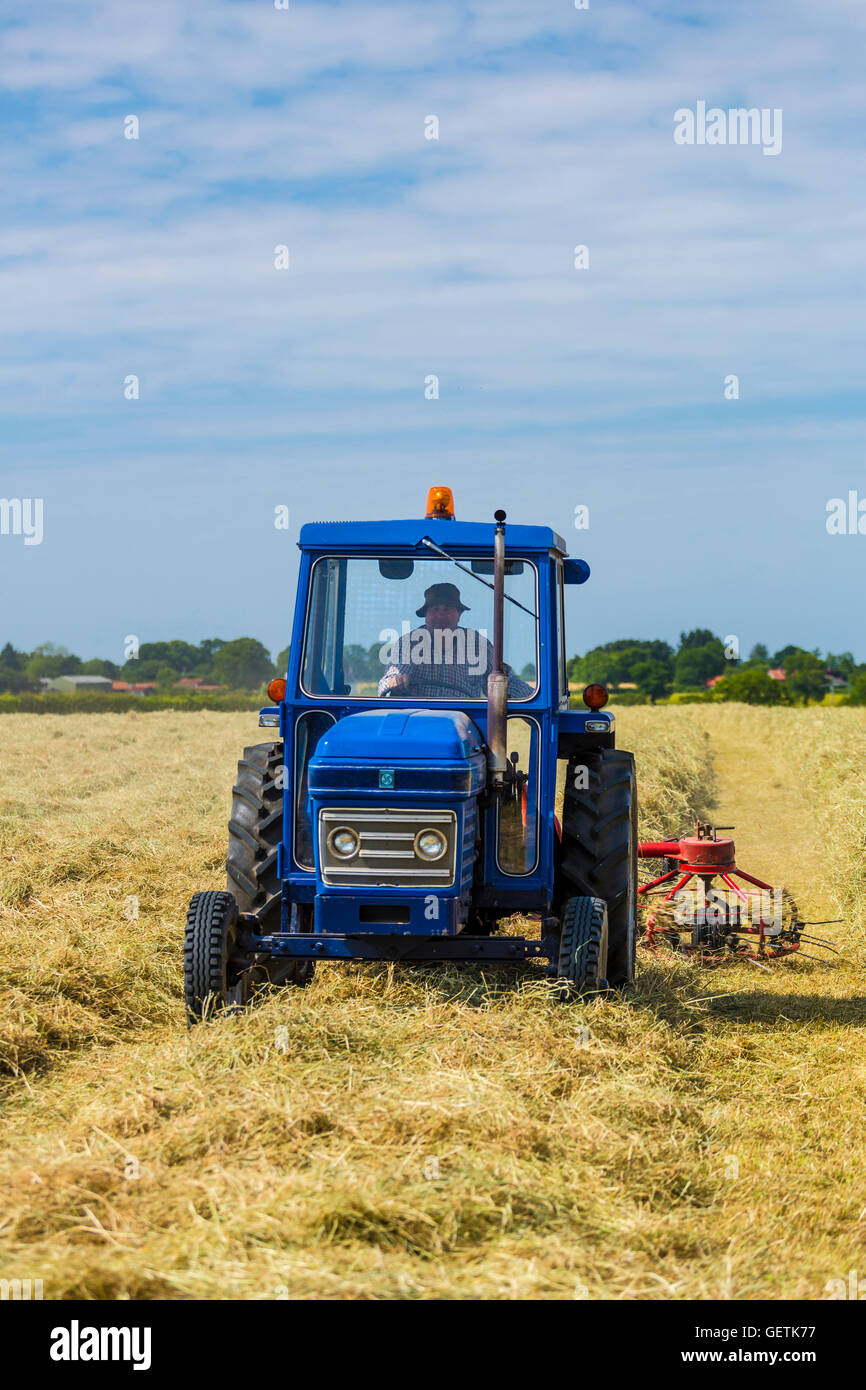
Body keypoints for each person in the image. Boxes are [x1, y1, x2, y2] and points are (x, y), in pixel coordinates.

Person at [377, 581, 533, 699]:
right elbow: (391, 678)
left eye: (447, 609)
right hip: (419, 720)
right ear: (426, 615)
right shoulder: (409, 643)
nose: (440, 616)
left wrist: (534, 698)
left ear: (459, 615)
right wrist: (395, 682)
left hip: (465, 721)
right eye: (434, 609)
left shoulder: (478, 645)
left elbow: (504, 682)